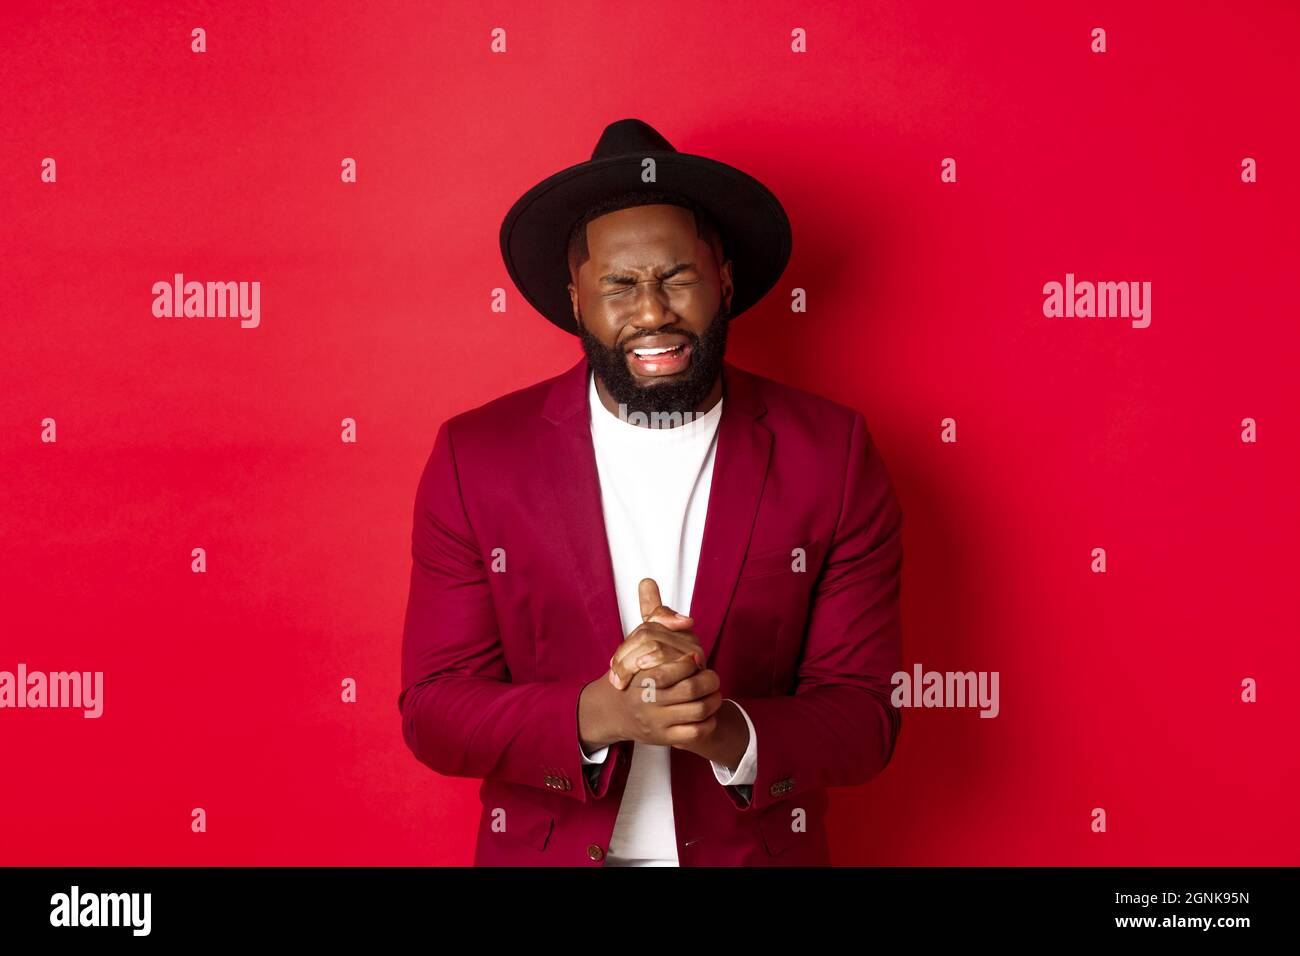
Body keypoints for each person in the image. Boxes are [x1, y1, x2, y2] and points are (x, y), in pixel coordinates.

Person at [398, 118, 904, 866]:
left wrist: (719, 723)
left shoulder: (833, 453)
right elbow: (434, 709)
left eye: (678, 278)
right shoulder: (478, 456)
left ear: (724, 281)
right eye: (619, 286)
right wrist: (602, 714)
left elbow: (866, 719)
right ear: (576, 300)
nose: (651, 313)